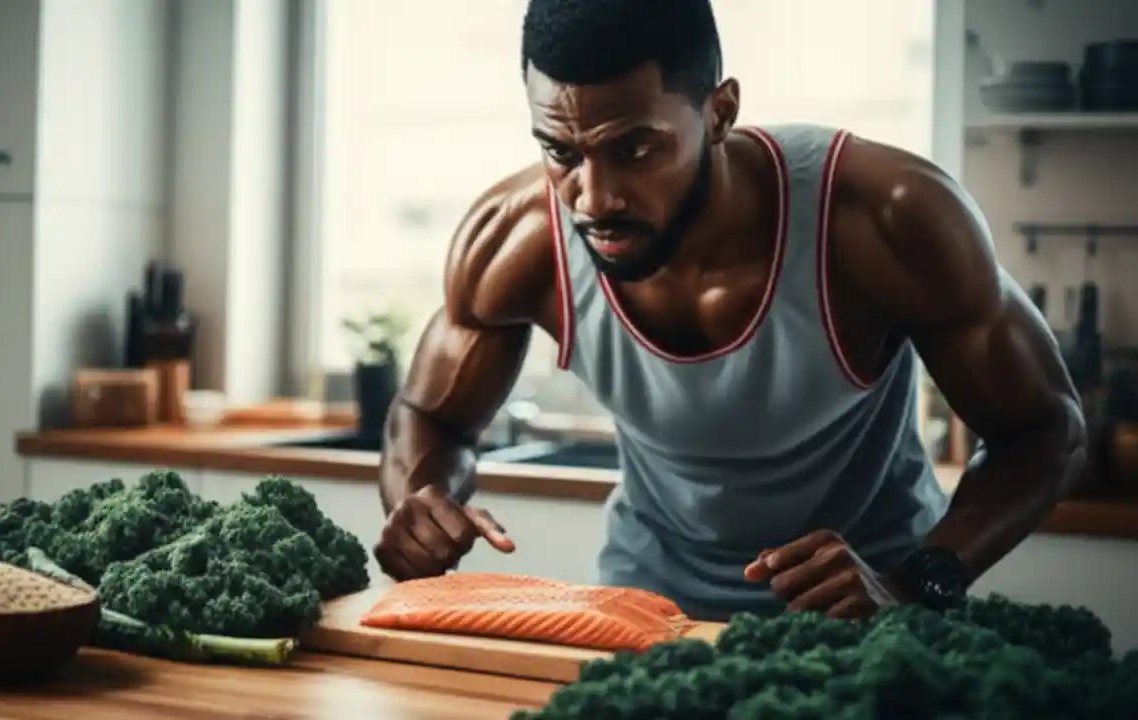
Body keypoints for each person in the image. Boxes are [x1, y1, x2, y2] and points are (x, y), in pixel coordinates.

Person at [372, 0, 1087, 621]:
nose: (592, 197)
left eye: (636, 147)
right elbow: (431, 415)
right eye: (561, 151)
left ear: (720, 113)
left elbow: (1044, 430)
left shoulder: (883, 217)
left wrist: (918, 581)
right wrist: (419, 500)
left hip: (871, 611)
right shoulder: (515, 241)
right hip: (644, 613)